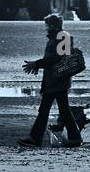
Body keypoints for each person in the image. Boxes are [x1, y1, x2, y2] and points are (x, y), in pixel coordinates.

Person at [19, 14, 83, 148]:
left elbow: (56, 59)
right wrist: (38, 65)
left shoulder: (62, 37)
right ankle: (74, 138)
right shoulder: (58, 37)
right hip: (56, 80)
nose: (46, 28)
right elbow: (54, 59)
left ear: (52, 25)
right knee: (62, 110)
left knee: (46, 110)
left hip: (57, 81)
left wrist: (36, 64)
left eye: (47, 25)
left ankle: (35, 139)